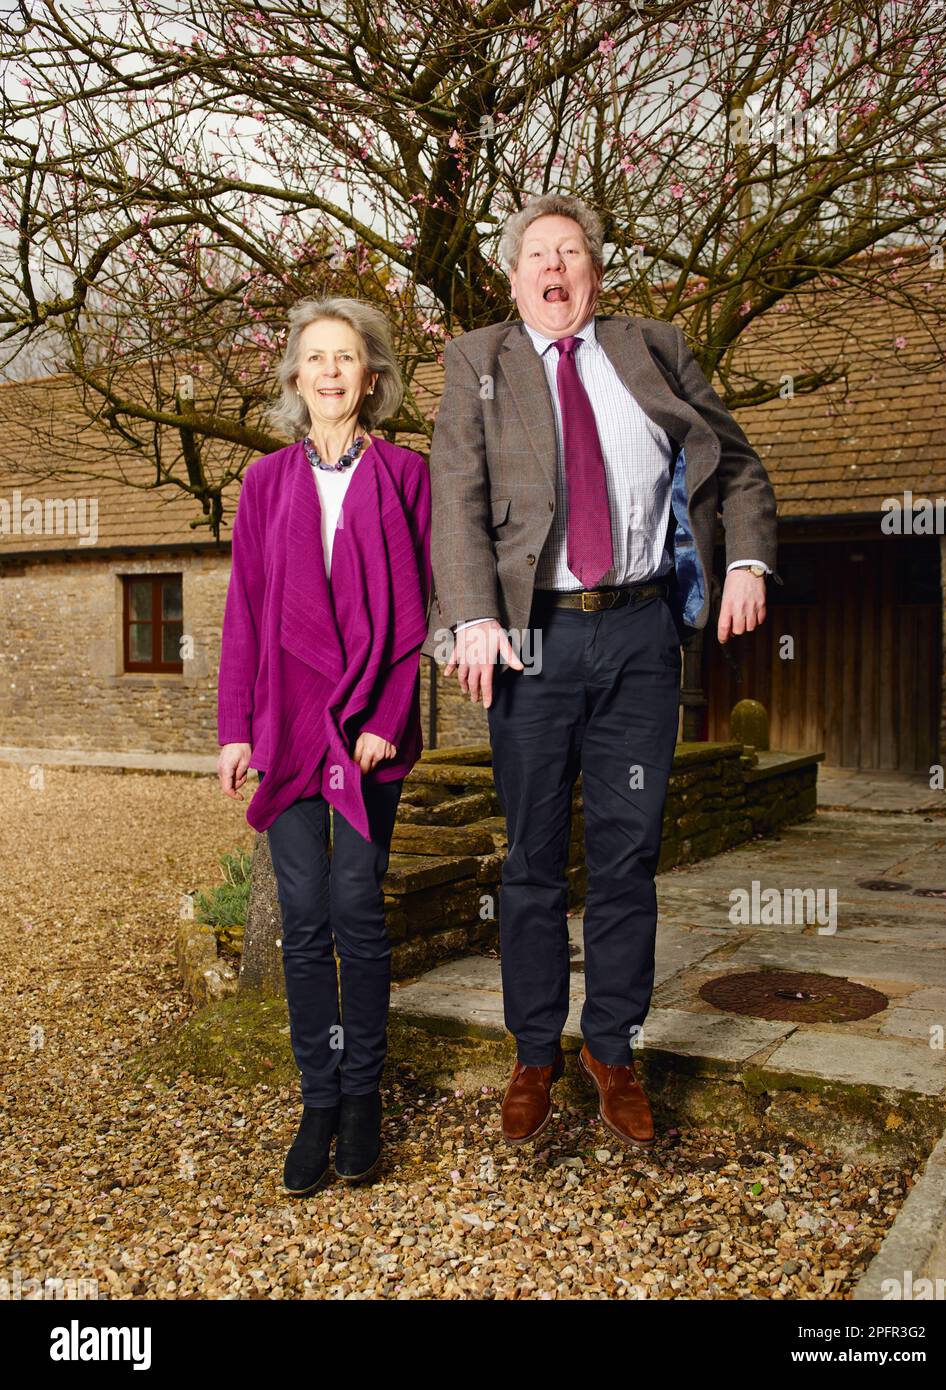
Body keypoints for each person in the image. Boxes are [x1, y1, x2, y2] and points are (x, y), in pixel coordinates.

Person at [422, 193, 778, 1150]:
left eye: (570, 251)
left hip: (639, 634)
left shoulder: (652, 346)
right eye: (538, 252)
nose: (555, 267)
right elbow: (453, 496)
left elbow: (735, 464)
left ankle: (611, 1048)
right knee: (534, 856)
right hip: (530, 642)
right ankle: (535, 1049)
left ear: (593, 269)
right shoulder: (478, 360)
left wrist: (745, 559)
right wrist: (471, 620)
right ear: (513, 276)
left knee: (627, 853)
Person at [217, 296, 432, 1195]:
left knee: (358, 906)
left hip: (370, 730)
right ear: (296, 377)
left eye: (348, 357)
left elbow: (418, 610)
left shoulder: (407, 476)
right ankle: (319, 1100)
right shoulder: (264, 482)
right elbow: (244, 612)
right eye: (317, 358)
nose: (332, 371)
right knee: (303, 919)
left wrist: (386, 716)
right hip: (288, 722)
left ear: (371, 377)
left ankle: (363, 1100)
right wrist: (234, 728)